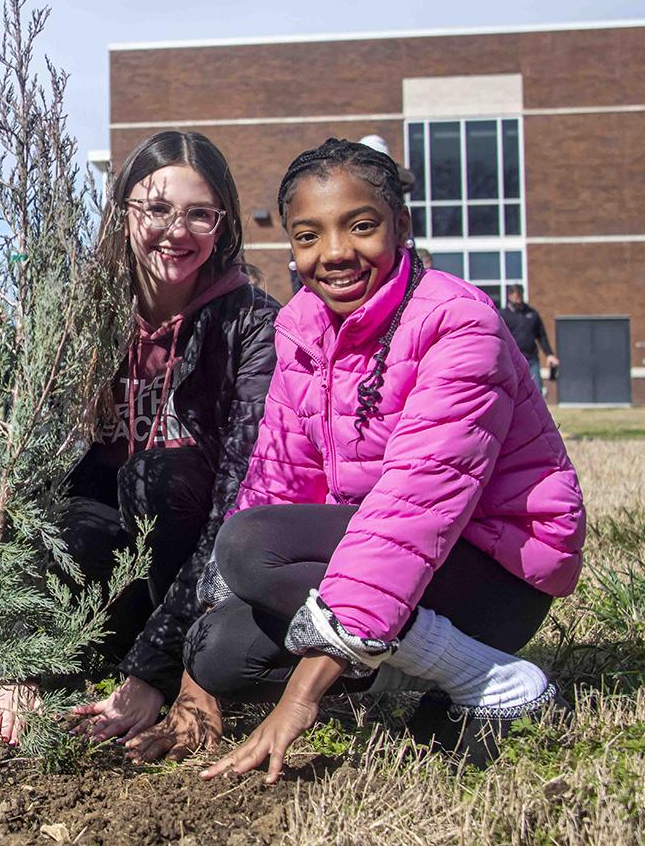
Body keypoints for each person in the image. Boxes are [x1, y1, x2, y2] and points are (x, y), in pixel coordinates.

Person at [186, 139, 584, 781]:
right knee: (219, 651)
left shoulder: (459, 323)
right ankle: (405, 666)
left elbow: (413, 511)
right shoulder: (301, 328)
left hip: (491, 571)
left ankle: (491, 676)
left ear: (402, 224)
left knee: (251, 547)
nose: (335, 253)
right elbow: (277, 483)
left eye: (361, 225)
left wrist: (302, 695)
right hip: (388, 564)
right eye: (309, 235)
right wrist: (190, 674)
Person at [0, 131, 280, 754]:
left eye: (200, 213)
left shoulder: (251, 322)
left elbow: (236, 500)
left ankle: (182, 661)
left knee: (156, 476)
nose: (178, 230)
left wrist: (155, 669)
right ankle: (69, 659)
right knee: (70, 518)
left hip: (198, 555)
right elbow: (24, 481)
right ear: (124, 214)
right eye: (158, 209)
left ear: (222, 224)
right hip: (109, 557)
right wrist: (14, 656)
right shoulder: (78, 315)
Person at [500, 284, 557, 393]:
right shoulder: (503, 315)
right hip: (512, 360)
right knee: (513, 392)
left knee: (536, 392)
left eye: (519, 295)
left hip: (531, 360)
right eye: (515, 295)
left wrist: (549, 355)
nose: (518, 298)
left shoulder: (532, 313)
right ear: (509, 296)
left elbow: (542, 335)